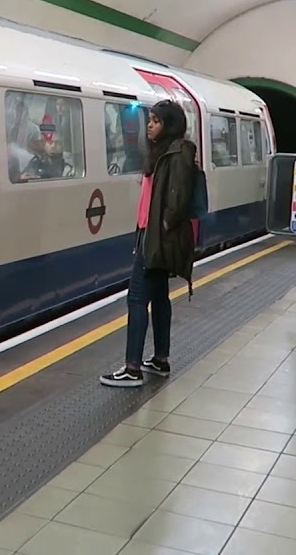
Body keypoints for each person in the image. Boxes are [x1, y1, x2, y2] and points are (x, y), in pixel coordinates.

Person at [101, 100, 196, 388]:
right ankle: (160, 359)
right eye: (150, 120)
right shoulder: (162, 152)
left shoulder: (178, 152)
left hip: (155, 236)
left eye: (156, 121)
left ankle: (132, 368)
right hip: (149, 232)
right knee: (158, 297)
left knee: (137, 298)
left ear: (169, 124)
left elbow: (178, 200)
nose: (150, 126)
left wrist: (164, 226)